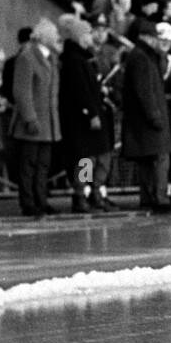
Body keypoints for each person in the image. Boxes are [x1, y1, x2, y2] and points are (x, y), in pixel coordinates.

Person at [57, 15, 114, 213]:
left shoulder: (82, 58)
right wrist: (91, 113)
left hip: (91, 115)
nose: (91, 36)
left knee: (97, 157)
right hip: (85, 119)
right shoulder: (75, 60)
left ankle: (93, 192)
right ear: (80, 36)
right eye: (88, 33)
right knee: (86, 159)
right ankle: (80, 194)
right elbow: (80, 90)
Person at [121, 19, 171, 213]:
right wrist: (154, 115)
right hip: (150, 118)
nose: (157, 41)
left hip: (143, 119)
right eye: (154, 37)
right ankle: (160, 198)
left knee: (147, 161)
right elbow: (145, 91)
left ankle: (149, 197)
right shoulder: (142, 57)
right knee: (160, 159)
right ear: (145, 37)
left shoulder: (142, 56)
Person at [10, 19, 62, 217]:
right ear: (45, 36)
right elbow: (22, 91)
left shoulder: (51, 58)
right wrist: (30, 118)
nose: (57, 37)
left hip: (48, 123)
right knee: (29, 166)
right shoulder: (27, 56)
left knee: (42, 166)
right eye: (54, 33)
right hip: (33, 124)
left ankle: (41, 200)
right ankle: (28, 202)